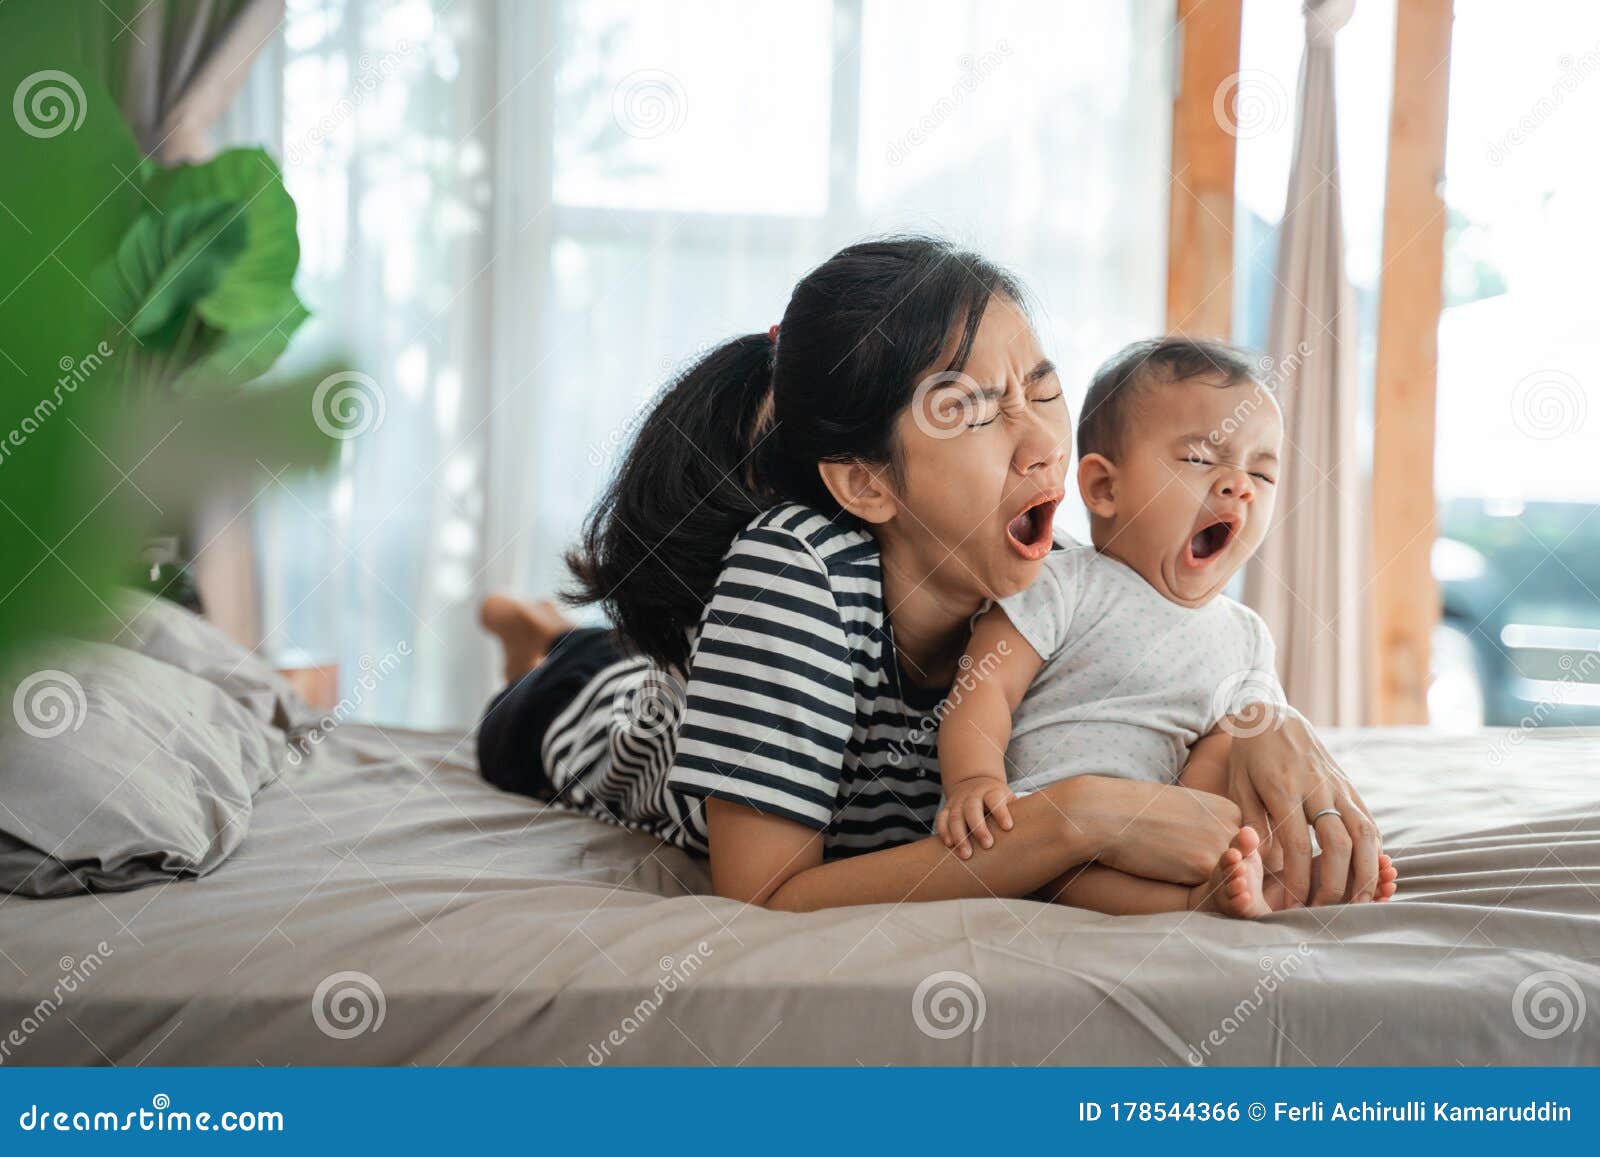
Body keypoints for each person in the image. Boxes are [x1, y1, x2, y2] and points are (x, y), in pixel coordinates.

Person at [476, 236, 1384, 912]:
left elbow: (1186, 671)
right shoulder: (793, 574)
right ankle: (541, 644)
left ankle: (553, 634)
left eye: (1042, 389)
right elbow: (764, 895)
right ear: (867, 482)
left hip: (738, 671)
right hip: (607, 725)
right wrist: (1072, 819)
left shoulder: (1061, 583)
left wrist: (1267, 718)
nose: (1044, 444)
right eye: (974, 411)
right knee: (567, 693)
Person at [933, 338, 1398, 916]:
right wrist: (974, 780)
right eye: (1200, 460)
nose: (1239, 485)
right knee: (1064, 875)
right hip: (1058, 820)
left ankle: (1278, 872)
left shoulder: (1246, 635)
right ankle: (1196, 902)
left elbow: (1260, 762)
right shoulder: (1061, 582)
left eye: (1261, 473)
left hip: (1179, 828)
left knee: (1238, 739)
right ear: (1105, 488)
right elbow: (984, 689)